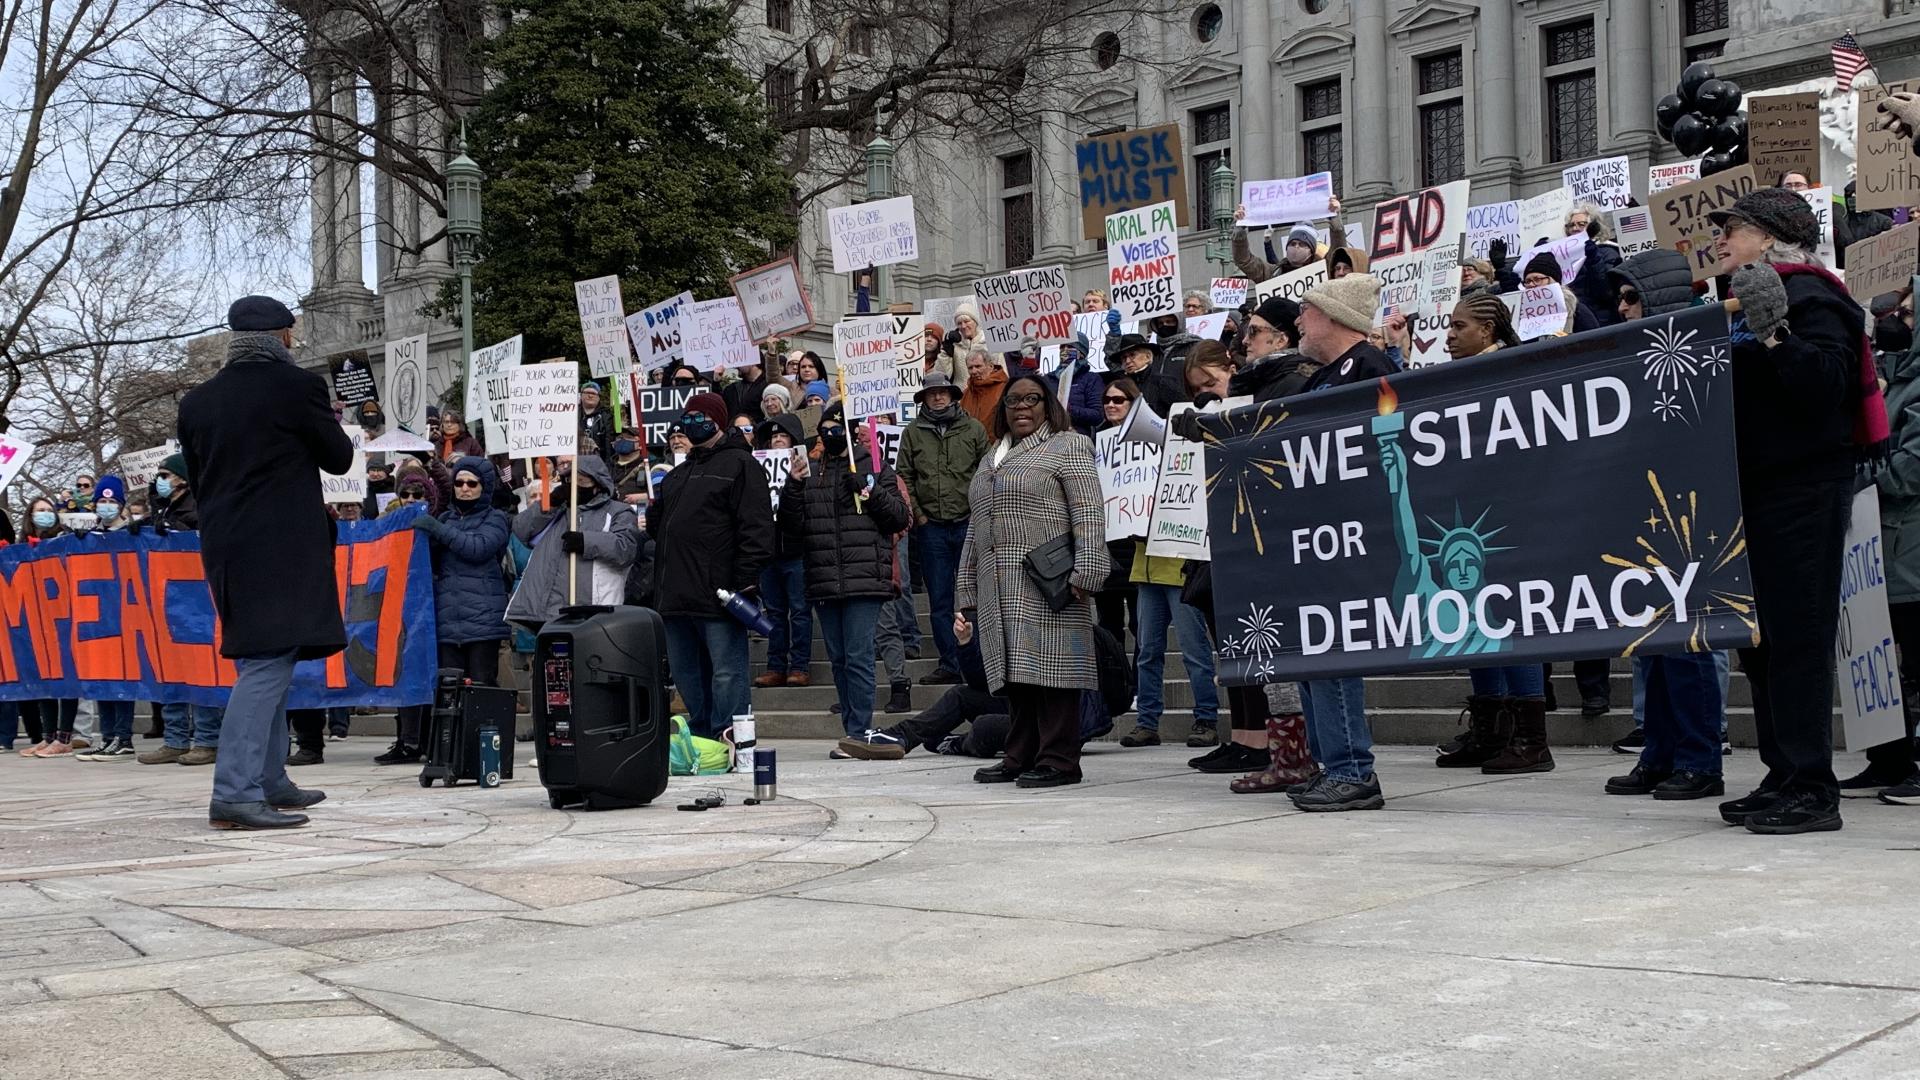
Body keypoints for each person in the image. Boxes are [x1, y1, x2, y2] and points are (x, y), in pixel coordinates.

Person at [1712, 188, 1888, 834]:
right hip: (1756, 489)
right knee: (1762, 645)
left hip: (1805, 488)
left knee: (1798, 638)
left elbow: (1825, 390)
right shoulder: (1730, 306)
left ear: (1773, 236)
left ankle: (1813, 787)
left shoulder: (1816, 297)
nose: (1721, 239)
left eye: (1733, 228)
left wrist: (1776, 333)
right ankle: (1783, 771)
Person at [177, 295, 352, 829]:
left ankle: (271, 777)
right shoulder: (297, 387)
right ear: (283, 336)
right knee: (267, 664)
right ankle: (234, 791)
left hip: (226, 544)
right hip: (281, 543)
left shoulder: (198, 401)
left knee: (270, 657)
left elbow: (198, 470)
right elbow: (339, 457)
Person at [957, 374, 1110, 788]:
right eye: (1013, 401)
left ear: (1048, 406)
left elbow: (1090, 512)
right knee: (1015, 674)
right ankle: (1018, 754)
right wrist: (965, 587)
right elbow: (976, 524)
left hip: (1051, 580)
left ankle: (1060, 760)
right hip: (998, 583)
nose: (1021, 407)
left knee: (1055, 673)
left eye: (1032, 399)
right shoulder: (993, 455)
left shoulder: (1069, 445)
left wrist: (1089, 569)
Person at [1286, 274, 1396, 811]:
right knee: (1313, 650)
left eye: (1305, 312)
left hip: (1350, 532)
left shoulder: (1371, 368)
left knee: (1333, 650)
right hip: (1314, 534)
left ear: (1331, 316)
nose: (1299, 322)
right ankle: (1332, 762)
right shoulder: (1320, 377)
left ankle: (1354, 769)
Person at [644, 391, 772, 738]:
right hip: (675, 593)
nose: (693, 422)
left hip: (718, 590)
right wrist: (656, 506)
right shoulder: (677, 474)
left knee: (726, 671)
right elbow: (660, 530)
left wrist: (745, 580)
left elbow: (757, 527)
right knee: (687, 672)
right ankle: (702, 734)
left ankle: (730, 735)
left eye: (702, 416)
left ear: (720, 421)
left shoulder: (741, 465)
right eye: (689, 415)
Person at [783, 402, 910, 747]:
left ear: (853, 430)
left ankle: (860, 729)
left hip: (863, 577)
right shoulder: (808, 470)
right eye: (825, 428)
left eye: (837, 427)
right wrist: (792, 488)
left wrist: (869, 491)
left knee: (858, 656)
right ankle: (850, 726)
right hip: (824, 578)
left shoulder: (875, 466)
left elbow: (898, 518)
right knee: (838, 659)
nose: (830, 433)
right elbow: (792, 529)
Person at [1852, 291, 1920, 805]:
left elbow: (1909, 467)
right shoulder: (1889, 373)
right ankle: (1889, 759)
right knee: (1884, 660)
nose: (1899, 320)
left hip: (1910, 545)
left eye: (1911, 313)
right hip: (1879, 544)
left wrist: (1856, 473)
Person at [896, 372, 989, 688]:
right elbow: (904, 476)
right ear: (925, 398)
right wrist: (919, 516)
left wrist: (977, 510)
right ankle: (949, 663)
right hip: (931, 527)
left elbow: (986, 470)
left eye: (942, 392)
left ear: (952, 395)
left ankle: (976, 659)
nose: (937, 397)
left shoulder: (974, 428)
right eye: (931, 393)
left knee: (972, 596)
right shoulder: (912, 432)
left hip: (968, 523)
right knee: (939, 599)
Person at [133, 454, 224, 766]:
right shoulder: (163, 507)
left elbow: (204, 535)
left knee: (199, 672)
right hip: (165, 602)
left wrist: (174, 527)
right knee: (169, 670)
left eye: (165, 474)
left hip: (195, 603)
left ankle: (207, 739)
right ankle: (174, 739)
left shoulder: (197, 506)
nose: (159, 479)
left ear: (183, 478)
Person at [415, 456, 511, 682]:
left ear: (484, 487)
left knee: (480, 692)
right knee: (449, 696)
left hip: (483, 622)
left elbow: (477, 549)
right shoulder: (446, 518)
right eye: (459, 483)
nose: (464, 488)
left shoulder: (495, 518)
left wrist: (438, 530)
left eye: (472, 483)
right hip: (448, 622)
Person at [14, 498, 81, 758]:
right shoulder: (22, 546)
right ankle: (48, 735)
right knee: (44, 679)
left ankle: (64, 736)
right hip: (36, 619)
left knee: (67, 678)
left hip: (63, 617)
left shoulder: (64, 539)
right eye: (39, 510)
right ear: (30, 515)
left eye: (49, 510)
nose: (45, 514)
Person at [753, 413, 813, 688]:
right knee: (775, 612)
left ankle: (799, 665)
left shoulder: (805, 471)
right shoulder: (759, 469)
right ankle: (775, 665)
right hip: (769, 552)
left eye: (783, 436)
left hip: (796, 550)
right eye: (773, 436)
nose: (777, 439)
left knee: (799, 611)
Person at [1093, 378, 1140, 661]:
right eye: (1107, 400)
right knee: (1109, 625)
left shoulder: (1148, 441)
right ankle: (1117, 683)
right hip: (1104, 547)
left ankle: (1139, 683)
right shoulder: (1094, 441)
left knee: (1140, 623)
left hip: (1137, 547)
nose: (1111, 405)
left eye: (1118, 400)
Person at [1228, 296, 1318, 401]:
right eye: (1246, 332)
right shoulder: (1256, 378)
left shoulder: (1295, 384)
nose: (1245, 341)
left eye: (1253, 331)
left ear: (1281, 340)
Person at [1231, 197, 1343, 280]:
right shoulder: (1272, 273)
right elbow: (1244, 260)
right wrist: (1240, 229)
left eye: (1302, 244)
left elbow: (1338, 251)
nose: (1296, 247)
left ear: (1311, 250)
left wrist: (1335, 220)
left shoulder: (1324, 269)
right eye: (1293, 243)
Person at [1566, 203, 1624, 326]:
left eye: (1581, 224)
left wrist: (1593, 259)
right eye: (1571, 225)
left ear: (1595, 227)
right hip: (1575, 321)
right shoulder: (1565, 256)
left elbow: (1606, 292)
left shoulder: (1608, 252)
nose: (1575, 228)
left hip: (1601, 323)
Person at [1520, 252, 1601, 336]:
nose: (1531, 285)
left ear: (1553, 281)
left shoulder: (1577, 310)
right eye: (1527, 281)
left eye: (1537, 279)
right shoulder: (1521, 314)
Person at [1103, 333, 1183, 417]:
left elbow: (1182, 410)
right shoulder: (1121, 386)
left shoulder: (1163, 382)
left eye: (1132, 355)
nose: (1127, 361)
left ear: (1148, 357)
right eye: (1124, 358)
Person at [959, 345, 1008, 426]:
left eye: (978, 366)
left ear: (991, 366)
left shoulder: (1005, 389)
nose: (974, 371)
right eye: (970, 368)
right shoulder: (966, 393)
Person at [723, 359, 770, 423]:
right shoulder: (731, 389)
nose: (735, 366)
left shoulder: (769, 387)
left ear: (753, 362)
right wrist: (716, 383)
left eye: (740, 360)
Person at [579, 381, 614, 464]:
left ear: (598, 397)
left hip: (598, 462)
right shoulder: (573, 414)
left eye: (594, 393)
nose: (590, 395)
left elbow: (608, 443)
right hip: (577, 462)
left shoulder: (606, 416)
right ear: (581, 395)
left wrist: (607, 466)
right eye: (587, 392)